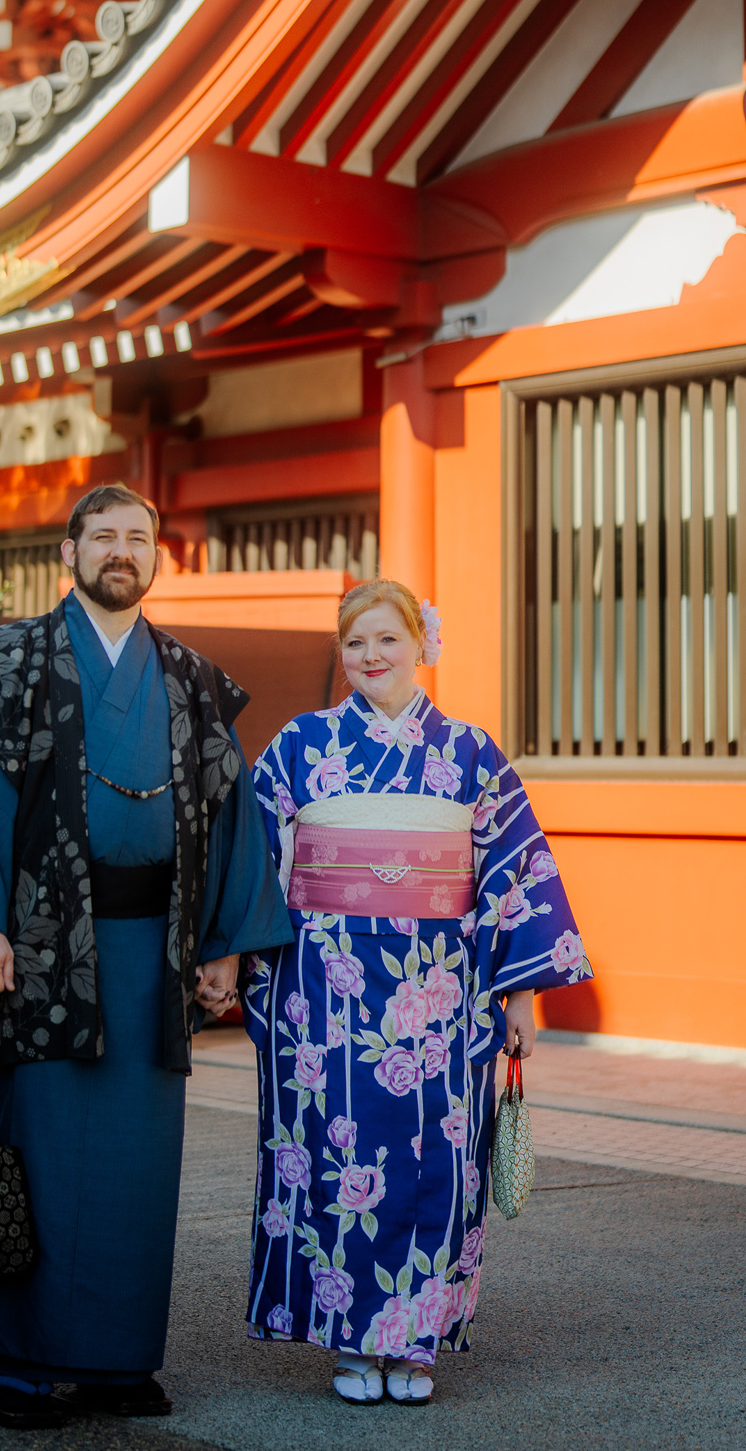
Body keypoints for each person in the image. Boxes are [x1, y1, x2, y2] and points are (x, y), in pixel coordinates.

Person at [0, 482, 293, 1428]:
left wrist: (224, 946)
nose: (122, 551)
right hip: (46, 948)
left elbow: (230, 814)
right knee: (44, 1154)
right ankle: (26, 1366)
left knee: (138, 1161)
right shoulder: (6, 664)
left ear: (156, 557)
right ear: (70, 552)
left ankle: (120, 1364)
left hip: (153, 952)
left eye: (138, 538)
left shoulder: (192, 679)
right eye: (104, 535)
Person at [243, 579, 592, 1407]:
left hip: (440, 986)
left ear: (420, 644)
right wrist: (239, 960)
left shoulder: (470, 752)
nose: (371, 656)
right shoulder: (300, 744)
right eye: (354, 643)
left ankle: (415, 1342)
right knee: (336, 1154)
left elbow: (514, 868)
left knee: (435, 1159)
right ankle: (350, 1338)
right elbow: (250, 857)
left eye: (386, 639)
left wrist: (520, 995)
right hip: (323, 985)